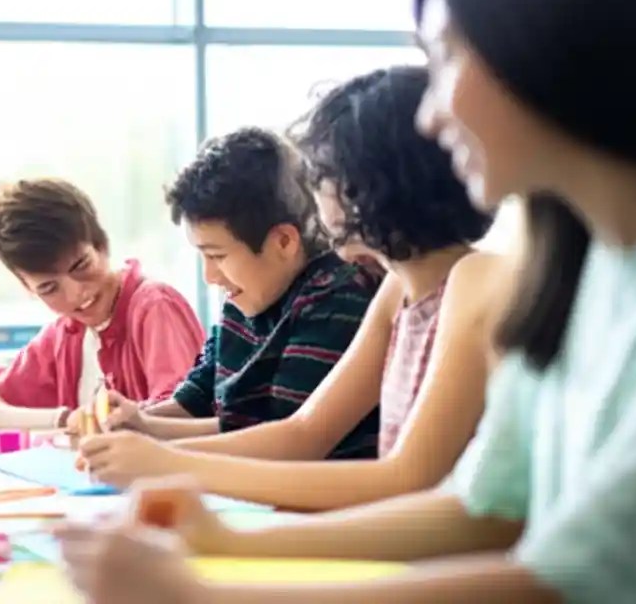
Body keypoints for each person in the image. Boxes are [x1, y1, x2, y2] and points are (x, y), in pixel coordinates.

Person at [57, 0, 636, 602]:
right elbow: (484, 507)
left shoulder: (545, 283)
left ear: (546, 48)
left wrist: (209, 592)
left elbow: (568, 578)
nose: (435, 117)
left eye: (447, 63)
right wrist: (225, 541)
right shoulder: (574, 274)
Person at [78, 67, 503, 511]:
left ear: (370, 185)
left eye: (320, 177)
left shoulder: (466, 281)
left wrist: (166, 461)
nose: (313, 198)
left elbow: (403, 478)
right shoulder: (395, 289)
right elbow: (304, 431)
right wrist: (153, 449)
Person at [82, 128, 380, 455]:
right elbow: (196, 399)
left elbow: (277, 435)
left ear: (284, 241)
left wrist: (155, 443)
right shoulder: (249, 295)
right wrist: (132, 421)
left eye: (217, 256)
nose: (210, 276)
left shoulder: (336, 297)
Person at [0, 178, 203, 430]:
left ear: (101, 244)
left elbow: (184, 415)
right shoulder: (65, 334)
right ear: (28, 289)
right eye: (49, 288)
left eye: (81, 266)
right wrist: (63, 419)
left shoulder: (154, 307)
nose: (75, 294)